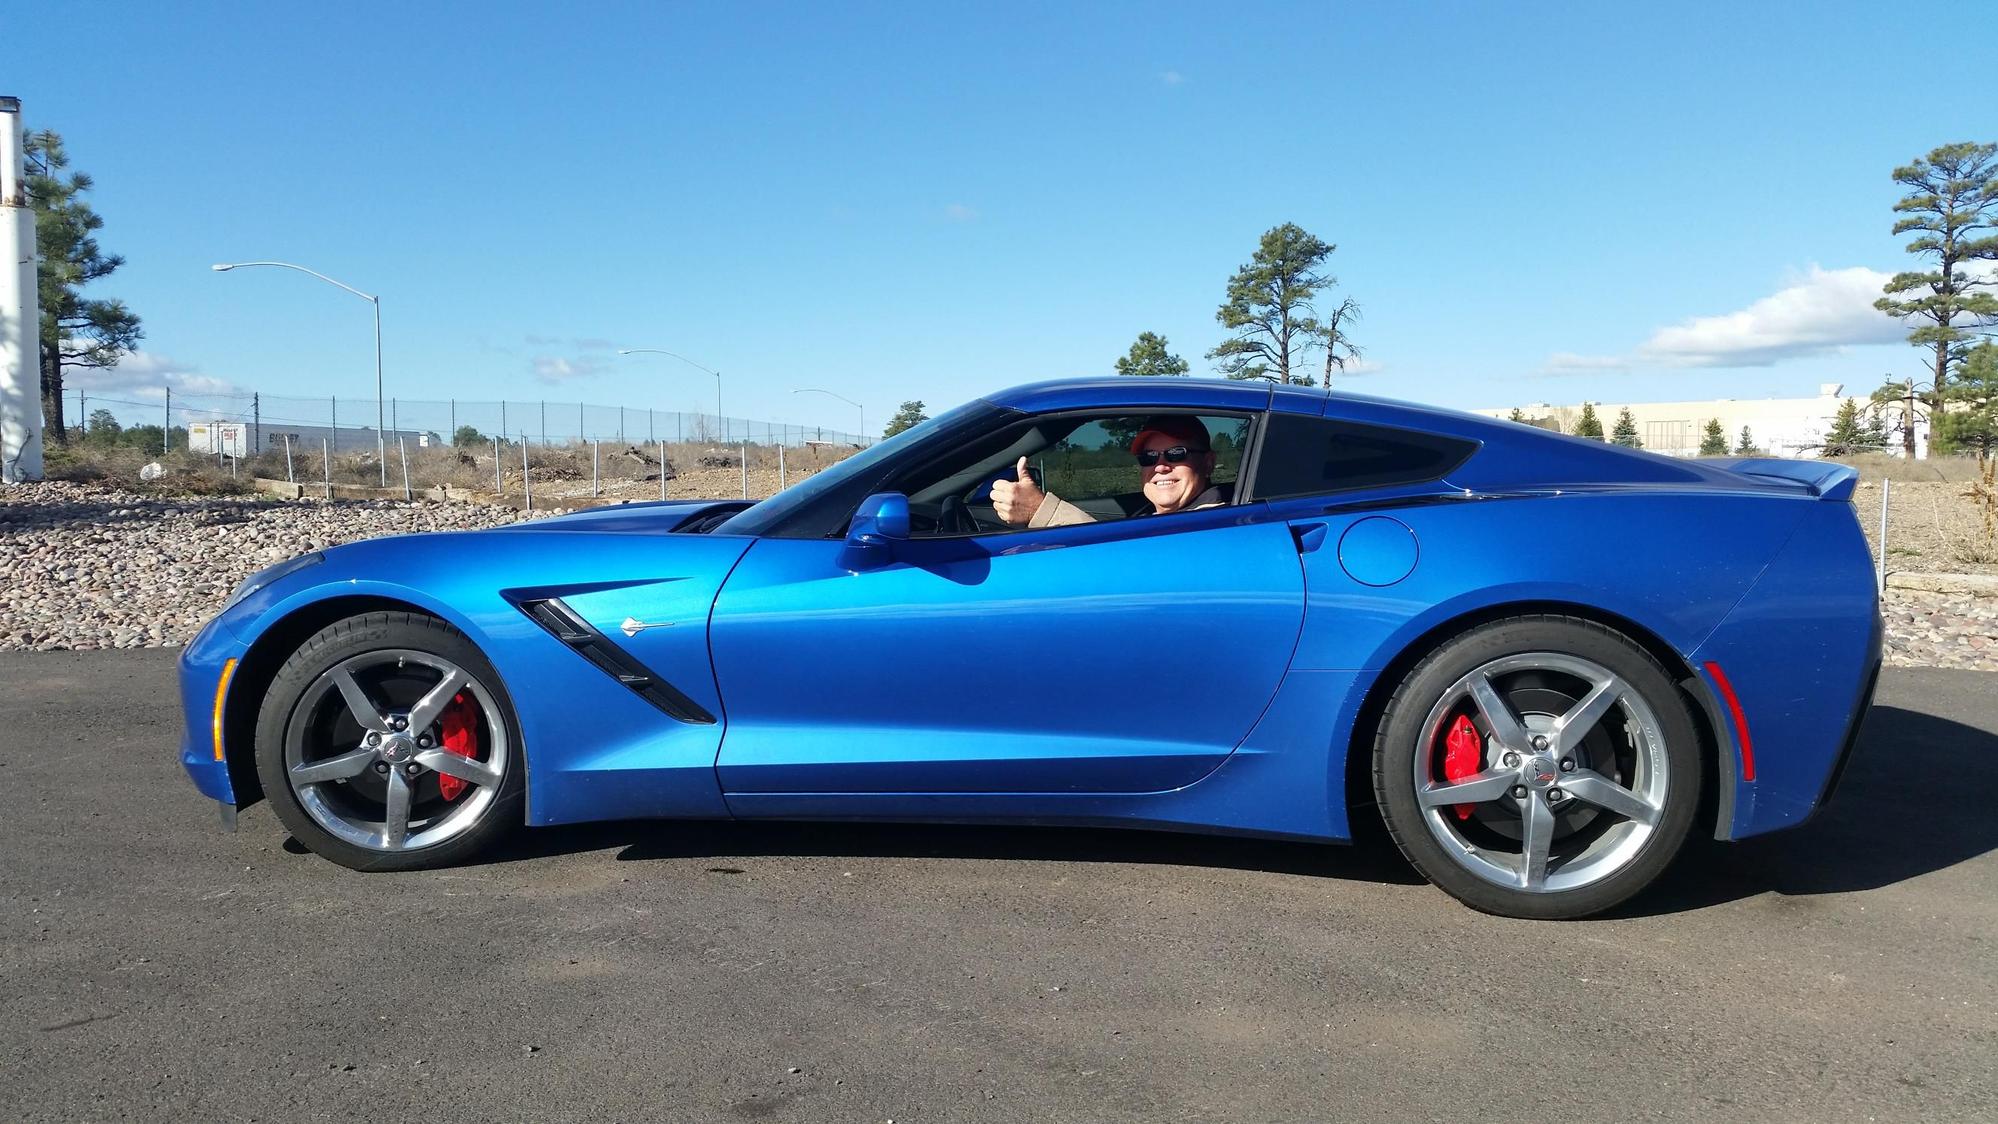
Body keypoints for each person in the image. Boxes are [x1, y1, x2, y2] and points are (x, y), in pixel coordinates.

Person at [991, 415, 1232, 528]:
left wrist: (1040, 511)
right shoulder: (1155, 516)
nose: (1160, 466)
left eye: (1176, 453)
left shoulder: (1214, 524)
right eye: (1148, 457)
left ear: (1208, 463)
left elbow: (1133, 570)